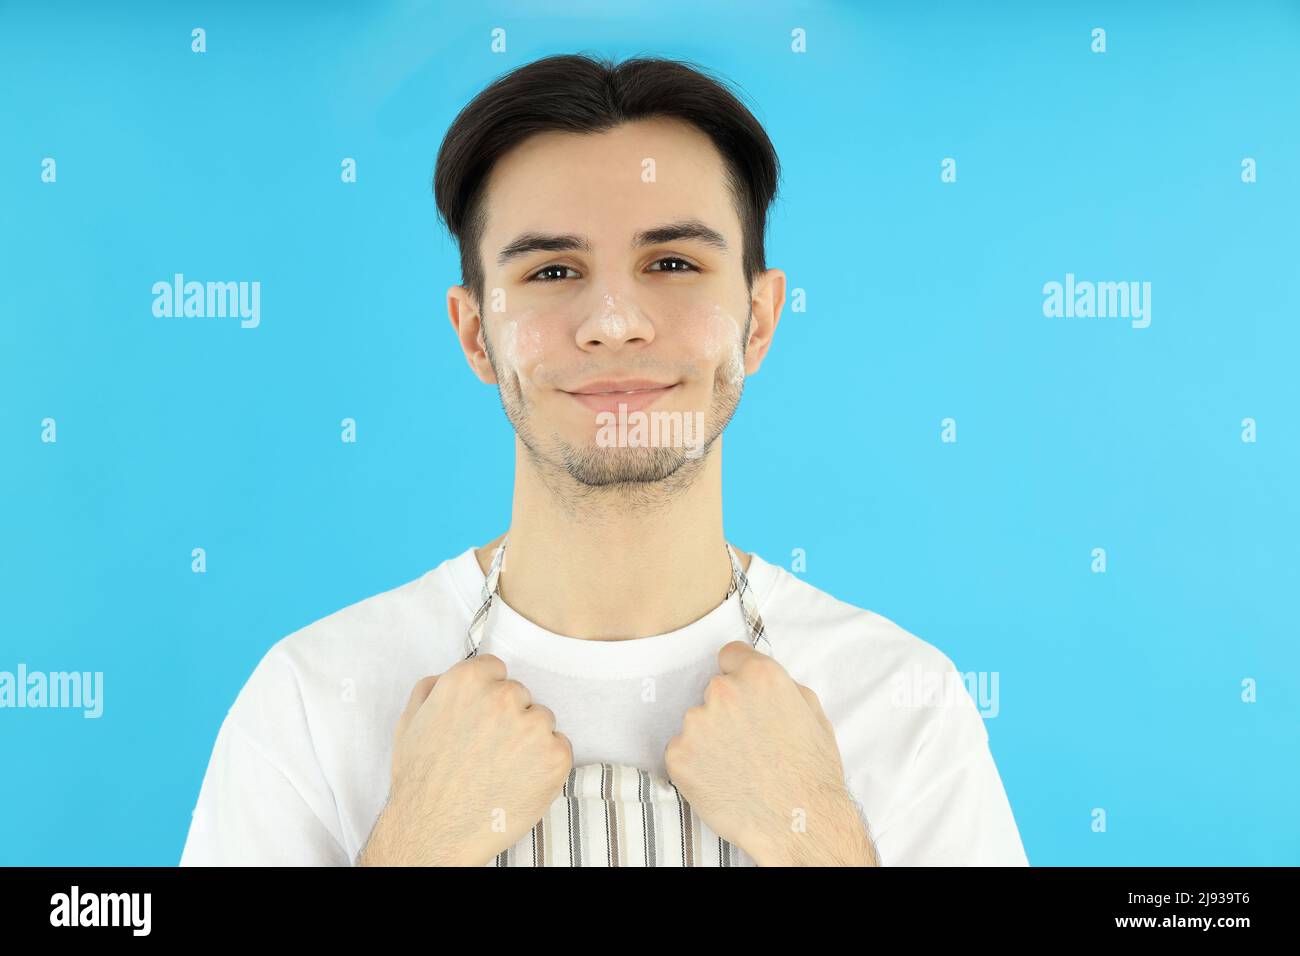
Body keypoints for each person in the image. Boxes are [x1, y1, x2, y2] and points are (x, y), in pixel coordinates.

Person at [180, 53, 1029, 867]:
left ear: (759, 320)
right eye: (553, 270)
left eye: (672, 263)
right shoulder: (312, 697)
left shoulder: (902, 701)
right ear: (476, 333)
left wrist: (819, 842)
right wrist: (416, 848)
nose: (615, 321)